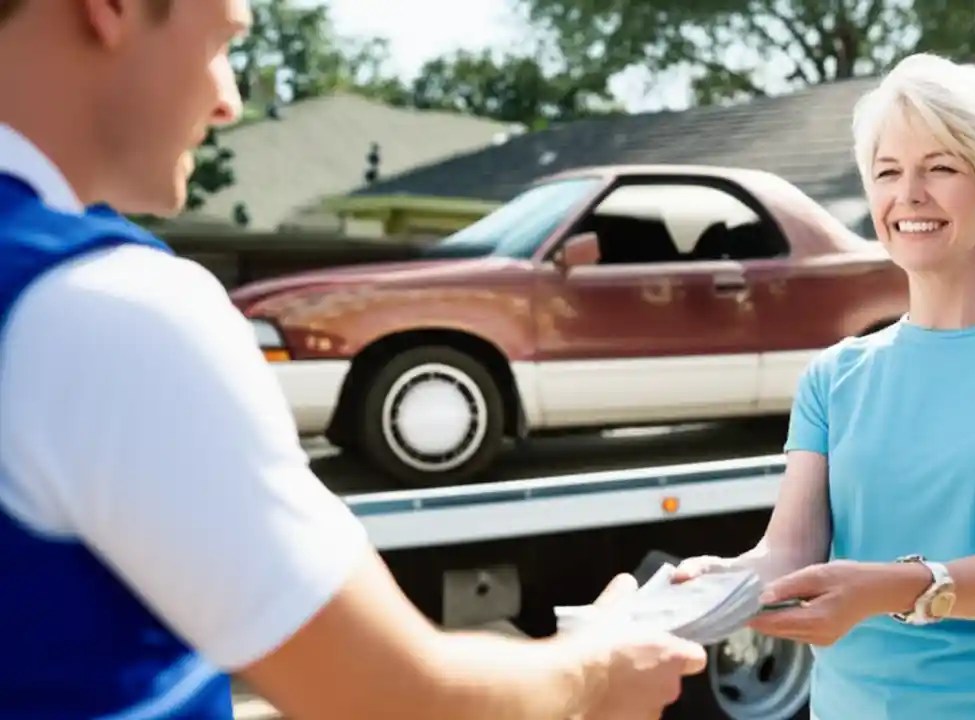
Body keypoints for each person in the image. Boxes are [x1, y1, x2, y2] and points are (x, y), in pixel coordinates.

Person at [0, 1, 705, 718]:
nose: (228, 102)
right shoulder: (104, 305)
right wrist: (600, 670)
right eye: (218, 42)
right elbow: (400, 701)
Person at [675, 52, 975, 719]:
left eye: (941, 168)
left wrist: (890, 588)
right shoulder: (835, 375)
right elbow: (790, 551)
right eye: (888, 172)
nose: (908, 194)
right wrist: (714, 584)